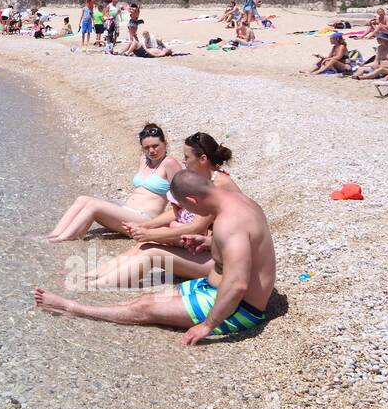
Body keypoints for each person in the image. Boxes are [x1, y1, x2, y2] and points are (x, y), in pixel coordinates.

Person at [35, 172, 276, 344]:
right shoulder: (240, 201)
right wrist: (209, 242)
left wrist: (207, 325)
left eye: (188, 209)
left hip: (241, 307)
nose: (192, 216)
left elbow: (237, 284)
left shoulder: (229, 223)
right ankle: (93, 304)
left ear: (192, 200)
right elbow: (247, 245)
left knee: (144, 309)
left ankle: (74, 308)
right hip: (212, 286)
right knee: (148, 297)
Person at [87, 133, 238, 289]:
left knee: (152, 253)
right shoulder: (207, 180)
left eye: (186, 157)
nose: (184, 161)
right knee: (145, 244)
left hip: (225, 262)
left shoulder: (218, 185)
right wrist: (147, 226)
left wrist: (150, 233)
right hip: (213, 249)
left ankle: (96, 287)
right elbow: (180, 212)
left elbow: (196, 227)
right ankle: (95, 276)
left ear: (203, 159)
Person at [47, 124, 181, 241]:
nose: (151, 151)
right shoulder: (143, 160)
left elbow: (182, 197)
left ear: (165, 143)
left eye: (155, 146)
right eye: (146, 148)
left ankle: (63, 239)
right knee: (82, 199)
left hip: (145, 219)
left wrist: (174, 224)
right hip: (125, 211)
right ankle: (54, 235)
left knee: (93, 206)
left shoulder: (169, 163)